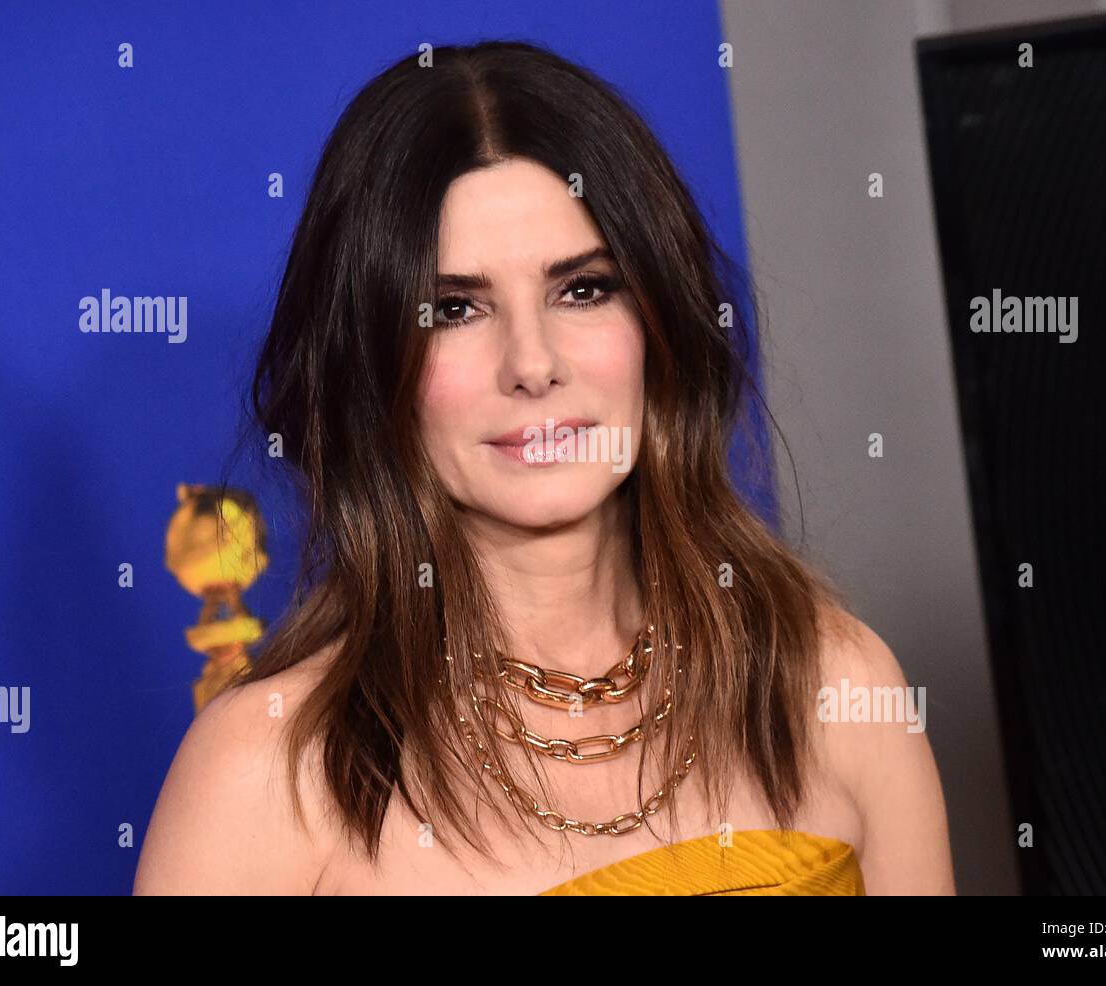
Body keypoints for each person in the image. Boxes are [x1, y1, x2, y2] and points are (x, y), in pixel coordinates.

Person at [134, 40, 955, 896]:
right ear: (370, 368)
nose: (533, 362)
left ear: (660, 322)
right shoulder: (268, 772)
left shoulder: (831, 685)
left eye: (584, 289)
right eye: (454, 309)